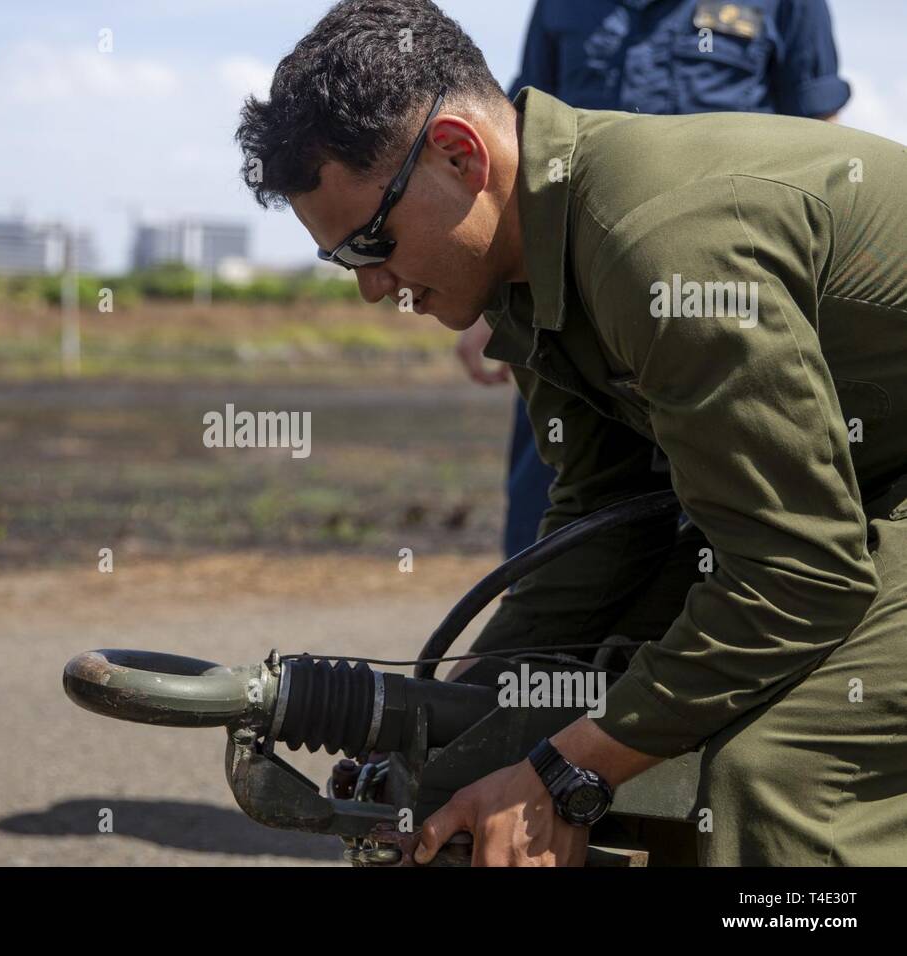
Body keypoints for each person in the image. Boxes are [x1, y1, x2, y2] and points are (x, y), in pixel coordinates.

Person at [235, 0, 907, 865]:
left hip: (844, 516)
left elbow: (798, 578)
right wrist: (455, 721)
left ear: (459, 154)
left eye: (374, 242)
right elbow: (607, 525)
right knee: (528, 727)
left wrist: (566, 770)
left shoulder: (656, 249)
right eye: (345, 261)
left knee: (768, 778)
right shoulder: (527, 275)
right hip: (855, 484)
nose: (373, 288)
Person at [456, 0, 852, 560]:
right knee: (551, 514)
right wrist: (490, 304)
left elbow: (821, 145)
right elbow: (515, 143)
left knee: (735, 514)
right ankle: (531, 646)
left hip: (722, 312)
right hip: (571, 309)